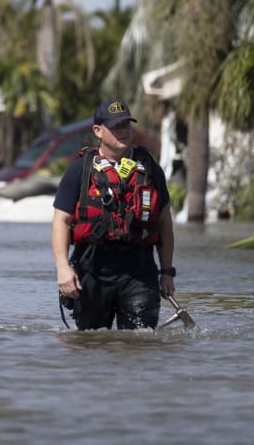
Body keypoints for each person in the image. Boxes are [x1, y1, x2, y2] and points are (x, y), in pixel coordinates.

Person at [50, 98, 175, 330]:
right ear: (98, 131)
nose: (123, 131)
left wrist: (166, 272)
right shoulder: (80, 170)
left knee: (141, 341)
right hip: (93, 270)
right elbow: (61, 221)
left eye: (126, 125)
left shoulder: (150, 169)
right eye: (116, 126)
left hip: (139, 270)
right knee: (91, 343)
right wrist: (62, 268)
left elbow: (164, 222)